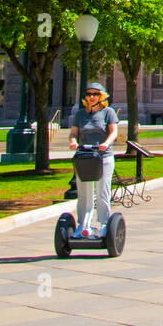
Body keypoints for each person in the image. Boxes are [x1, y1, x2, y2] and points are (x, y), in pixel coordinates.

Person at [68, 82, 118, 237]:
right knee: (83, 193)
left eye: (95, 94)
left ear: (101, 96)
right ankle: (83, 224)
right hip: (84, 156)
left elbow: (114, 132)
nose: (91, 97)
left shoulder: (108, 112)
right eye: (89, 94)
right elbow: (73, 133)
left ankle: (103, 224)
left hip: (103, 157)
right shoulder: (80, 114)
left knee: (102, 190)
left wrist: (106, 143)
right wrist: (73, 141)